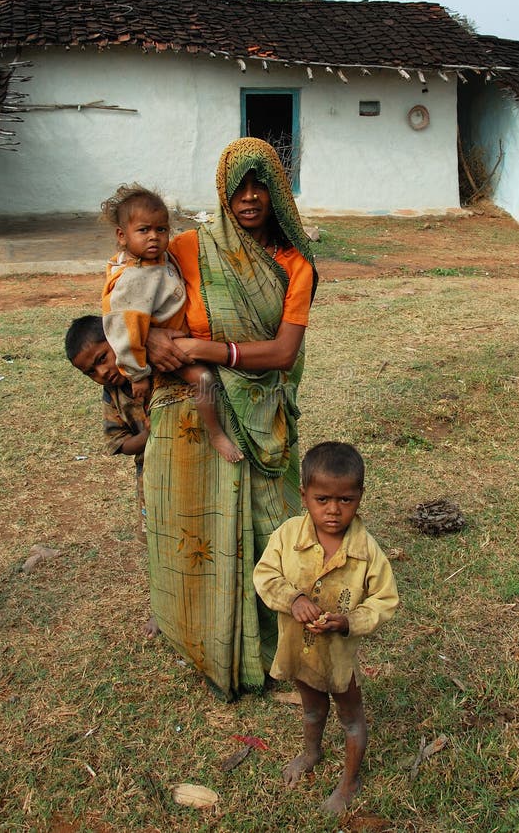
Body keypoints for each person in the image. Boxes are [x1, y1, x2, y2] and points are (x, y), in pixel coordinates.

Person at [142, 137, 318, 701]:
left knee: (273, 533)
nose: (249, 197)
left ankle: (274, 659)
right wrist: (153, 339)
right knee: (196, 529)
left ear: (277, 192)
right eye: (237, 185)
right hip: (190, 415)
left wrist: (206, 350)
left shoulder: (294, 266)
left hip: (261, 417)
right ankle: (199, 640)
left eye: (260, 184)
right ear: (222, 190)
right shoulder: (189, 247)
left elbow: (283, 353)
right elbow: (128, 289)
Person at [253, 442, 399, 815]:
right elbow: (265, 575)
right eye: (322, 499)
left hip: (339, 659)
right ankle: (311, 752)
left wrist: (348, 621)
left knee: (350, 716)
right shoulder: (288, 537)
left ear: (360, 497)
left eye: (346, 500)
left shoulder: (367, 552)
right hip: (298, 650)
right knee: (311, 708)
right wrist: (294, 599)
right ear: (304, 496)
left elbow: (384, 600)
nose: (333, 510)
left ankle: (350, 781)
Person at [101, 184, 243, 462]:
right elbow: (124, 329)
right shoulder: (134, 279)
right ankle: (216, 434)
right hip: (168, 352)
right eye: (143, 230)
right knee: (203, 379)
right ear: (122, 236)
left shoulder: (157, 260)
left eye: (162, 229)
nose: (154, 237)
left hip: (179, 342)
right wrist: (137, 373)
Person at [65, 315, 160, 638]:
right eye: (90, 372)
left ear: (118, 340)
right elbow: (121, 444)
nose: (101, 372)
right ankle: (162, 608)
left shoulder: (153, 366)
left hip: (187, 468)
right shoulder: (112, 396)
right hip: (150, 479)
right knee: (157, 546)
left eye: (102, 359)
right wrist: (148, 433)